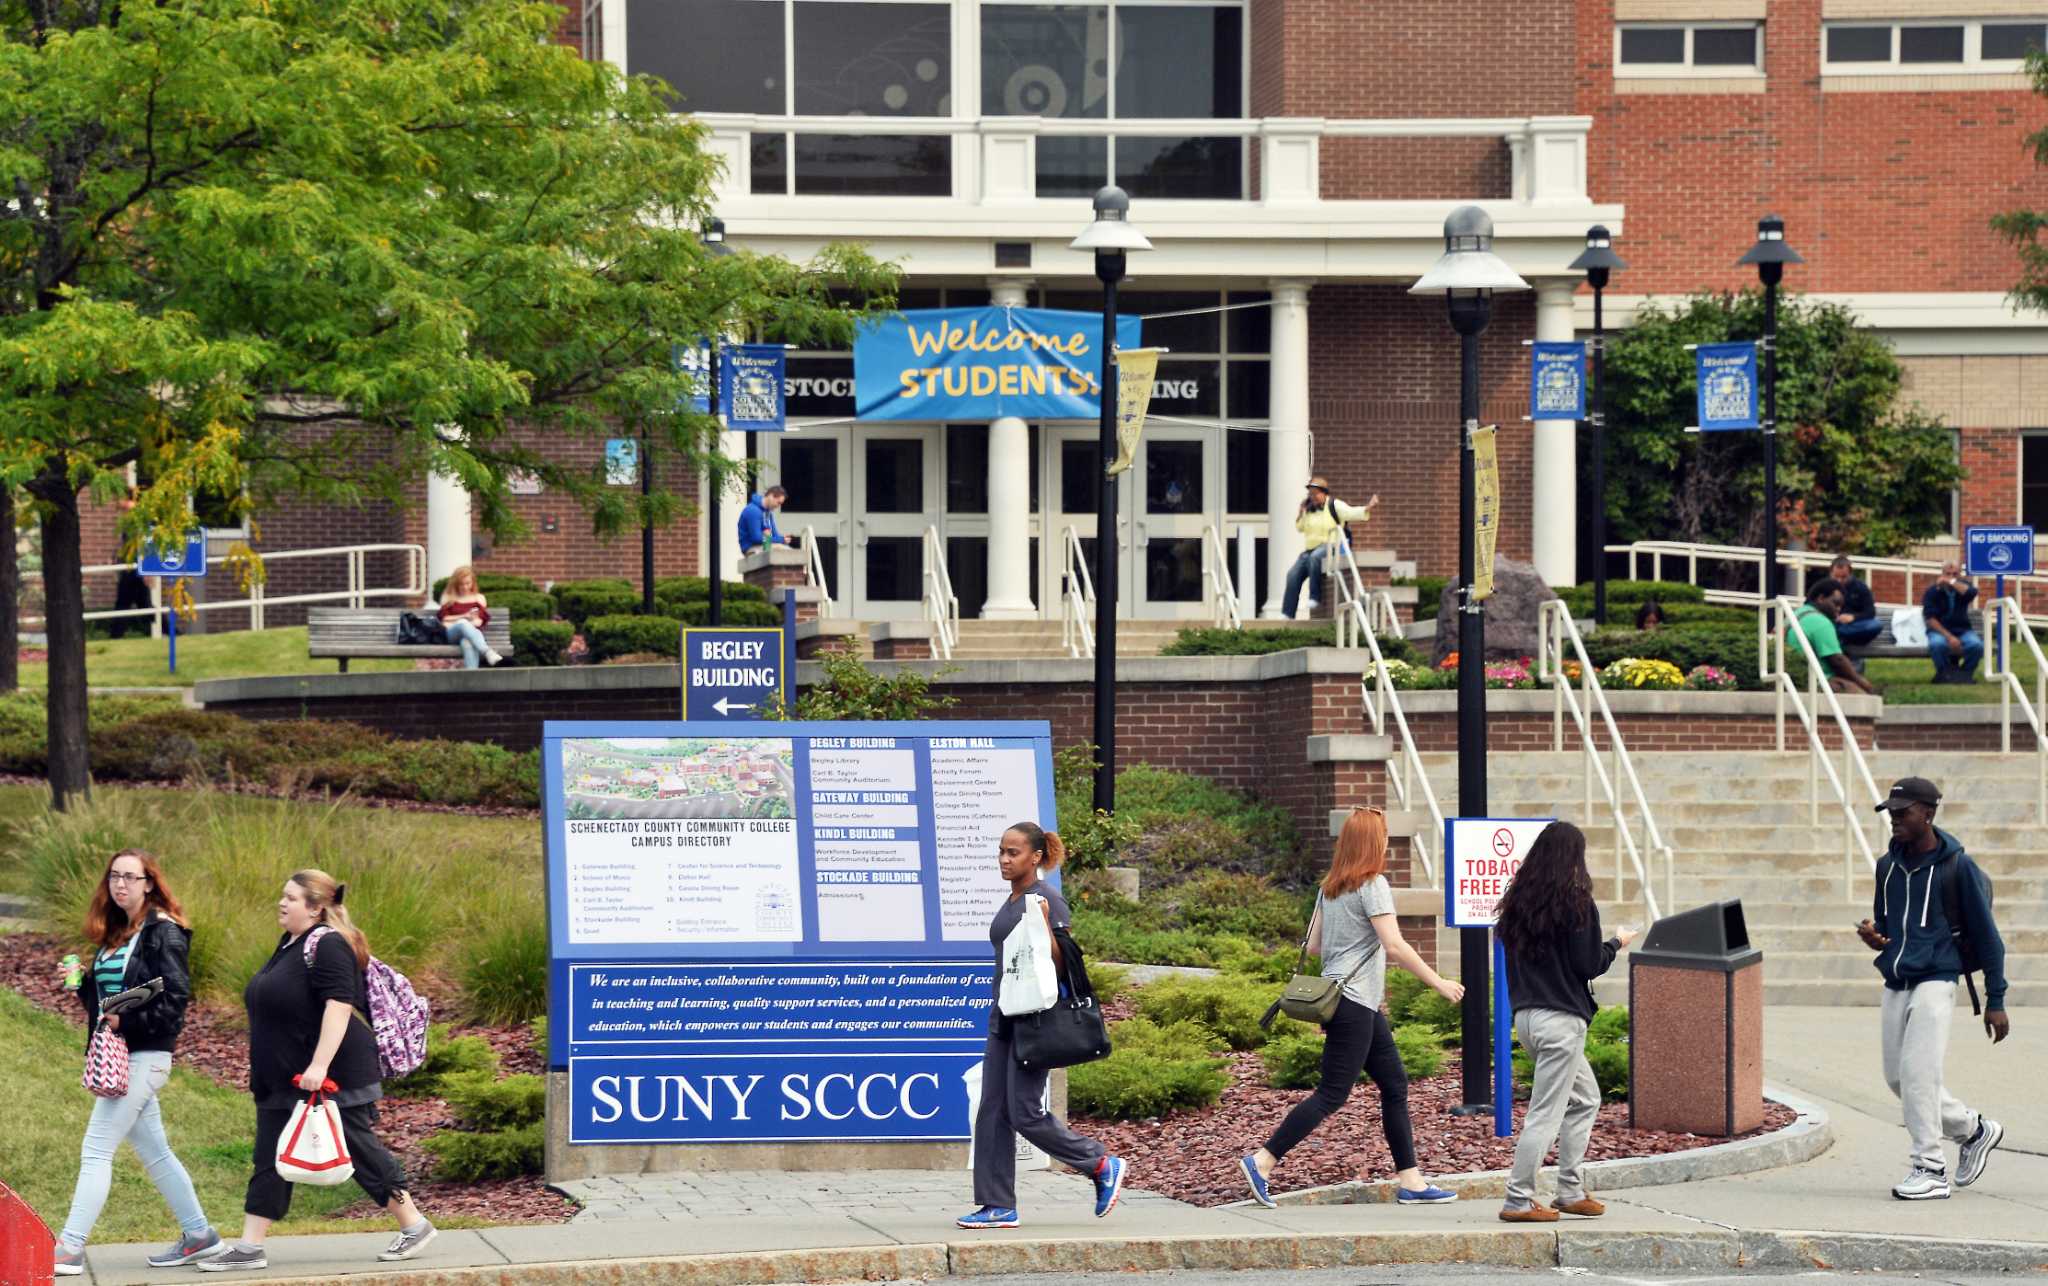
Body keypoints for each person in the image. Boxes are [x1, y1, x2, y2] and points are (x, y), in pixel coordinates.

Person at [204, 870, 434, 1272]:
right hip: (284, 1075)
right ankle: (250, 1245)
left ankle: (413, 1224)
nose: (282, 902)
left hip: (331, 1073)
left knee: (358, 1150)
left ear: (315, 908)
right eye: (283, 895)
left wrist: (319, 1066)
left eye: (291, 898)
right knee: (269, 1155)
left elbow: (338, 1006)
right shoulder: (290, 943)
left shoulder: (328, 945)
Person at [1240, 807, 1465, 1208]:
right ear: (1372, 843)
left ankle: (1411, 1182)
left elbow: (1313, 947)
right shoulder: (1373, 884)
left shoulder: (1330, 887)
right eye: (1382, 836)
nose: (1385, 842)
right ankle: (1263, 1160)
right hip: (1355, 1002)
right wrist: (1439, 982)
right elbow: (1394, 944)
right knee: (1331, 1094)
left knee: (1395, 1084)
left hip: (1350, 1002)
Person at [53, 850, 227, 1276]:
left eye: (131, 877)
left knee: (96, 1149)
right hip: (121, 1054)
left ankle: (69, 1249)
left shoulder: (162, 933)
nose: (121, 885)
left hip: (146, 1055)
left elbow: (176, 1001)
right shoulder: (117, 933)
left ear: (150, 883)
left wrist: (127, 1018)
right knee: (156, 1152)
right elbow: (106, 1002)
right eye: (115, 876)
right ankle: (199, 1235)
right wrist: (81, 985)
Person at [959, 823, 1127, 1231]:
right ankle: (997, 1205)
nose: (1004, 859)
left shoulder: (1047, 899)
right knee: (992, 1112)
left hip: (1033, 1023)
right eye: (1001, 851)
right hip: (1005, 1018)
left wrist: (1045, 926)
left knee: (1025, 1113)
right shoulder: (1014, 897)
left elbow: (1061, 963)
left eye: (1013, 852)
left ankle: (1100, 1163)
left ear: (1035, 857)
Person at [1858, 777, 2008, 1201]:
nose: (1894, 820)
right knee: (1897, 1078)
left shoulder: (1957, 868)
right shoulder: (1887, 866)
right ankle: (1974, 1130)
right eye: (1891, 812)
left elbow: (1988, 937)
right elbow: (1888, 924)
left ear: (1928, 813)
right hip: (1897, 978)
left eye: (1903, 812)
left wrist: (1996, 999)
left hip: (1938, 978)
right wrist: (1876, 937)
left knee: (1920, 1074)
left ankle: (1930, 1168)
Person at [1494, 820, 1636, 1223]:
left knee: (1586, 1098)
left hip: (1527, 1018)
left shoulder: (1517, 903)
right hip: (1562, 1022)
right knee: (1545, 1113)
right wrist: (1617, 943)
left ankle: (1570, 1190)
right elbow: (1588, 964)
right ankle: (1518, 1199)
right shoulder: (1576, 903)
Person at [1280, 477, 1377, 619]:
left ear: (1324, 493)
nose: (1312, 497)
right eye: (1310, 494)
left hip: (1331, 545)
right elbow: (1300, 528)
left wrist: (1368, 507)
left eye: (1315, 493)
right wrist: (1301, 512)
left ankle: (1315, 597)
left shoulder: (1334, 505)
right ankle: (1288, 613)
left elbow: (1351, 512)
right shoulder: (1309, 509)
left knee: (1315, 557)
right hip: (1311, 549)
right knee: (1292, 574)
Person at [1795, 578, 1878, 696]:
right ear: (1821, 598)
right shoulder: (1820, 622)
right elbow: (1837, 660)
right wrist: (1863, 683)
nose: (1838, 609)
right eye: (1835, 603)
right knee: (1862, 695)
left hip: (1798, 676)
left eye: (1841, 606)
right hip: (1817, 681)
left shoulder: (1796, 614)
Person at [1922, 562, 1983, 684]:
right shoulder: (1933, 591)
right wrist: (1949, 637)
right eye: (1947, 574)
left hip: (1962, 630)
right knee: (1937, 645)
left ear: (1959, 575)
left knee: (1976, 645)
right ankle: (1945, 674)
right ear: (1942, 574)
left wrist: (1951, 582)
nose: (1951, 576)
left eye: (1955, 574)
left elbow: (1972, 592)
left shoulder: (1963, 587)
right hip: (1939, 631)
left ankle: (1965, 674)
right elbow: (1930, 619)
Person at [436, 564, 504, 669]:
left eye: (468, 583)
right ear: (455, 584)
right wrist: (465, 617)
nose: (465, 587)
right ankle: (487, 651)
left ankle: (472, 680)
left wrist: (458, 620)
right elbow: (445, 621)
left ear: (472, 583)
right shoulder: (448, 598)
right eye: (461, 584)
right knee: (462, 623)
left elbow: (479, 622)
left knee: (467, 642)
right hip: (452, 635)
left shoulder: (479, 598)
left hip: (473, 635)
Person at [1829, 555, 1883, 648]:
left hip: (1854, 625)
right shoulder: (1823, 586)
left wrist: (1853, 617)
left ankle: (1841, 638)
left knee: (1876, 624)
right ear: (1830, 573)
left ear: (1850, 574)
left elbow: (1870, 612)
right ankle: (1841, 638)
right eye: (1836, 577)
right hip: (1832, 623)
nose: (1839, 580)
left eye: (1844, 577)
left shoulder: (1860, 587)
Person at [738, 485, 793, 555]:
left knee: (788, 550)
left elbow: (774, 535)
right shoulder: (753, 510)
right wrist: (781, 539)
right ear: (771, 496)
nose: (778, 506)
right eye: (778, 502)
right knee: (785, 551)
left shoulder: (768, 513)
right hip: (751, 548)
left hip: (765, 545)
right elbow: (756, 538)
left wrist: (783, 539)